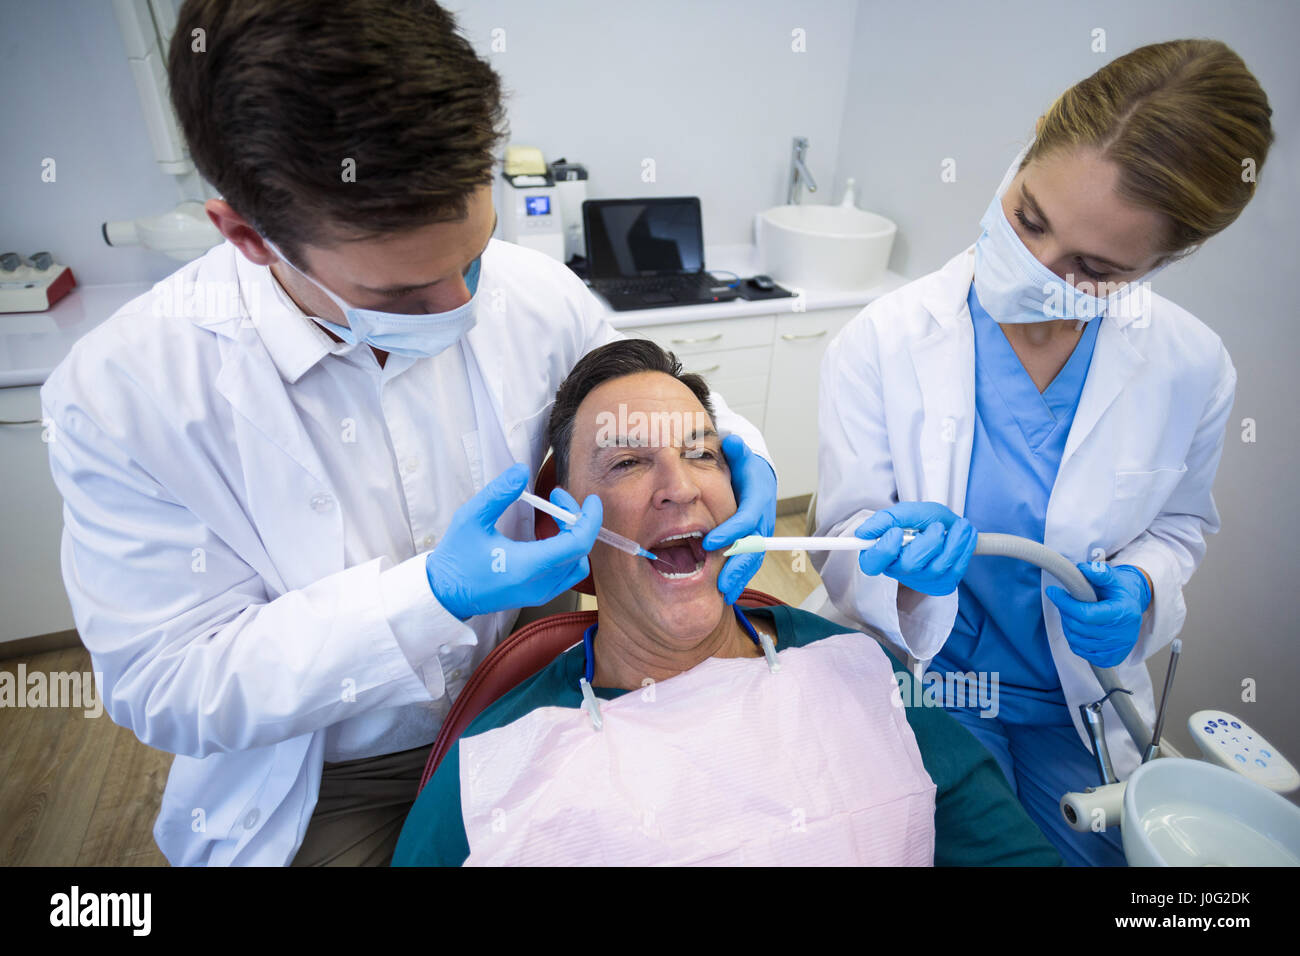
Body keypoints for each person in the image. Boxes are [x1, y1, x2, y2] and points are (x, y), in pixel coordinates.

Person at [39, 0, 776, 867]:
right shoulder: (125, 394)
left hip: (533, 688)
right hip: (331, 768)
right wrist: (427, 597)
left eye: (472, 256)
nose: (465, 310)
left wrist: (735, 449)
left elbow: (641, 386)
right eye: (405, 296)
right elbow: (165, 686)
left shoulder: (530, 293)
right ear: (247, 235)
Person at [812, 39, 1274, 866]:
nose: (1036, 268)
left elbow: (1177, 530)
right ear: (1027, 150)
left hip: (1076, 700)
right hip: (935, 680)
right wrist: (899, 573)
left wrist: (1142, 591)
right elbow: (843, 533)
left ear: (1161, 263)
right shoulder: (880, 342)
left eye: (1092, 268)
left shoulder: (1193, 369)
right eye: (1029, 218)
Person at [392, 340, 1063, 866]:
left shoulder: (858, 672)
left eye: (703, 454)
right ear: (565, 531)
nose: (679, 487)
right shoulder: (493, 769)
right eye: (627, 463)